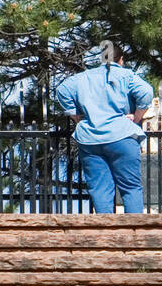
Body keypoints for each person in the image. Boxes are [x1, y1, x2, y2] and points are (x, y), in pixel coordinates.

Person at [56, 43, 154, 214]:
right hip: (122, 137)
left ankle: (105, 234)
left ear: (101, 58)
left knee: (99, 189)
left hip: (90, 140)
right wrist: (137, 117)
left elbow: (62, 90)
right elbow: (146, 91)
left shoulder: (83, 77)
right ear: (121, 59)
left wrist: (76, 116)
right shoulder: (126, 75)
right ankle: (134, 232)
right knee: (130, 187)